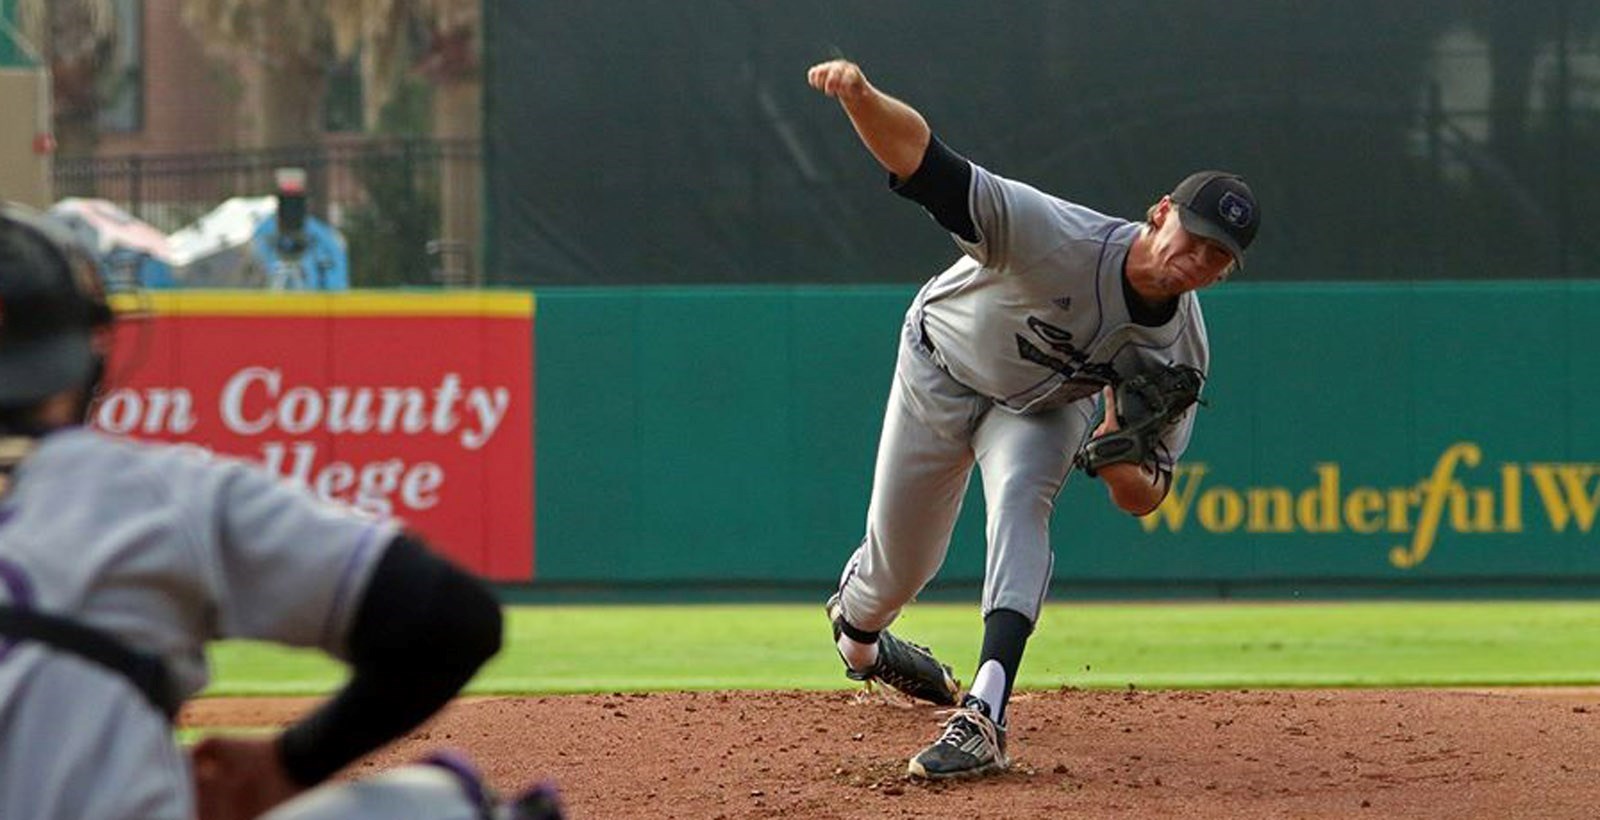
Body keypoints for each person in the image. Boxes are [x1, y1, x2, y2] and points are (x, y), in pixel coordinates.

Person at [0, 203, 562, 820]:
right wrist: (288, 764)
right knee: (441, 805)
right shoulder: (147, 490)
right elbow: (452, 620)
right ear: (89, 352)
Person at [807, 59, 1260, 779]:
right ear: (1160, 212)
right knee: (899, 568)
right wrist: (861, 98)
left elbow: (1150, 494)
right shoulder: (1053, 234)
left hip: (1047, 408)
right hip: (940, 369)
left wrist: (1119, 463)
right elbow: (926, 164)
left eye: (1218, 255)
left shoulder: (1183, 349)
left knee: (1023, 502)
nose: (1197, 258)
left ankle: (984, 713)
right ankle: (859, 636)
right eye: (1193, 234)